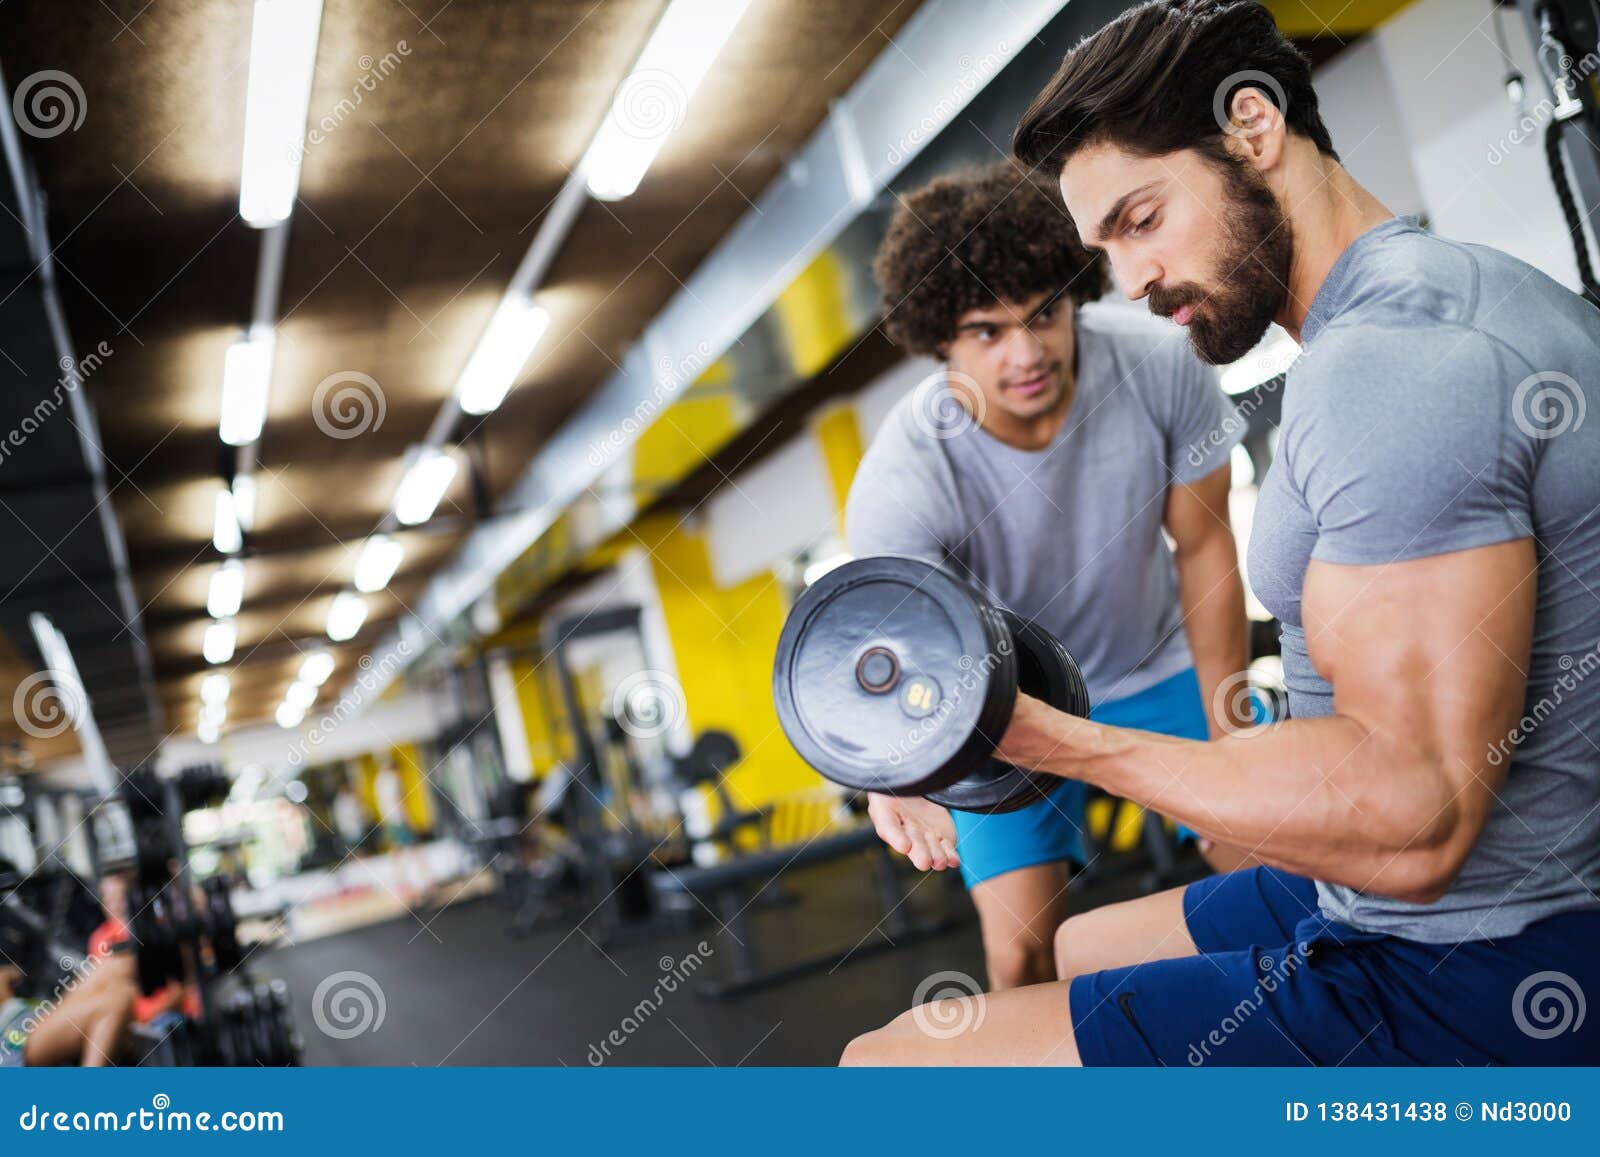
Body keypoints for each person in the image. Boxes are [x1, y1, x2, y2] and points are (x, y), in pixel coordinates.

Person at [842, 0, 1600, 1065]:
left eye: (1141, 220)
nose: (1133, 283)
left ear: (1253, 127)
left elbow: (1420, 818)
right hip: (1418, 897)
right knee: (1081, 942)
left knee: (889, 1061)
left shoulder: (1388, 367)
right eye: (1106, 249)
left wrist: (1055, 738)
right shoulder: (1443, 294)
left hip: (1476, 958)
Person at [849, 160, 1258, 990]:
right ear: (942, 341)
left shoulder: (1162, 364)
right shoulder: (905, 468)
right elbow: (891, 649)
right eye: (987, 331)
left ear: (1078, 294)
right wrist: (897, 774)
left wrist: (1229, 718)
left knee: (1260, 877)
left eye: (1044, 315)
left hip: (1158, 662)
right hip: (1004, 703)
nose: (1028, 351)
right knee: (1022, 954)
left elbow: (1206, 547)